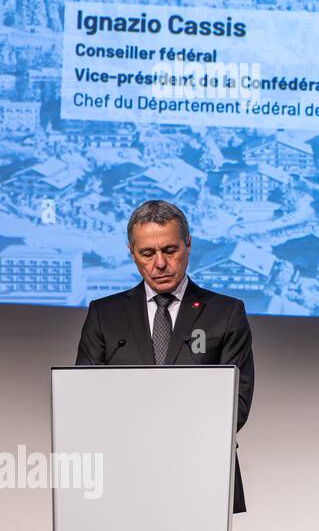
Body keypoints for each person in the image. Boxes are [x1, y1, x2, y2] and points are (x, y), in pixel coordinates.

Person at [75, 199, 255, 513]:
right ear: (132, 254)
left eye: (170, 250)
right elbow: (82, 400)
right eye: (147, 253)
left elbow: (235, 406)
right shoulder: (105, 314)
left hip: (201, 474)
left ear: (188, 245)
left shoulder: (225, 313)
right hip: (122, 474)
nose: (160, 263)